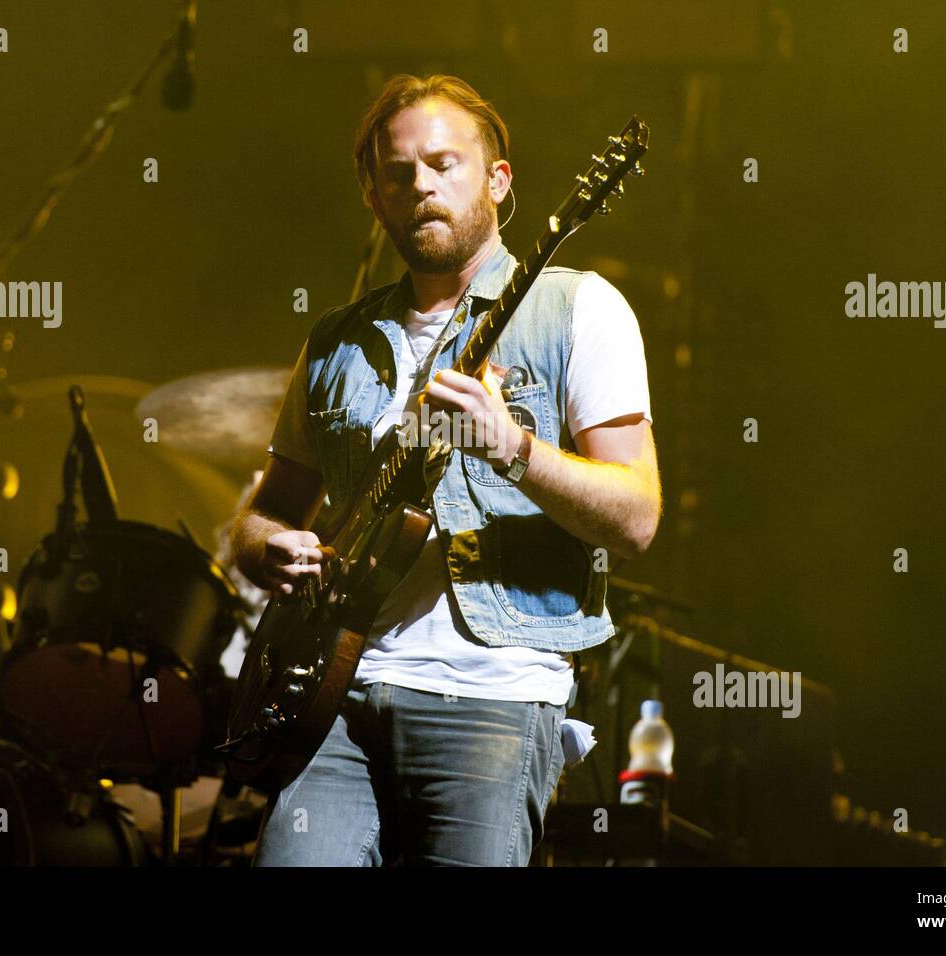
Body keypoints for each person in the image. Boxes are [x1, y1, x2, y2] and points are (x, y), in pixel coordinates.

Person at [228, 74, 661, 866]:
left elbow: (635, 519)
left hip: (493, 700)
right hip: (334, 696)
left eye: (444, 163)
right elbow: (262, 516)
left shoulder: (578, 309)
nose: (420, 184)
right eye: (398, 172)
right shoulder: (334, 341)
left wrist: (515, 448)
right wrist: (268, 548)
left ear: (498, 179)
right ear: (374, 195)